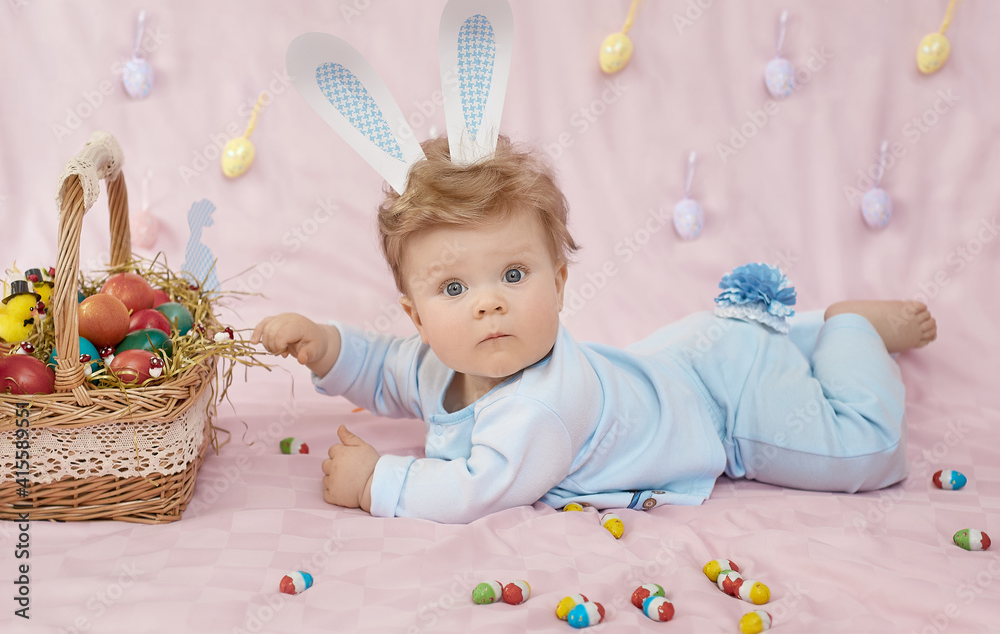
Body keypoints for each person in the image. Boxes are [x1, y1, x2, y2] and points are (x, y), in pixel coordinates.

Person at [251, 136, 937, 524]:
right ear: (417, 317)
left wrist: (378, 481)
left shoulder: (539, 410)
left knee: (865, 450)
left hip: (728, 409)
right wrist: (326, 344)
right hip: (677, 362)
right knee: (745, 347)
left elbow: (476, 489)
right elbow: (386, 370)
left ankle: (847, 329)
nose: (488, 305)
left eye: (514, 275)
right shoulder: (440, 364)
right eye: (455, 289)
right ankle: (800, 332)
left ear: (559, 282)